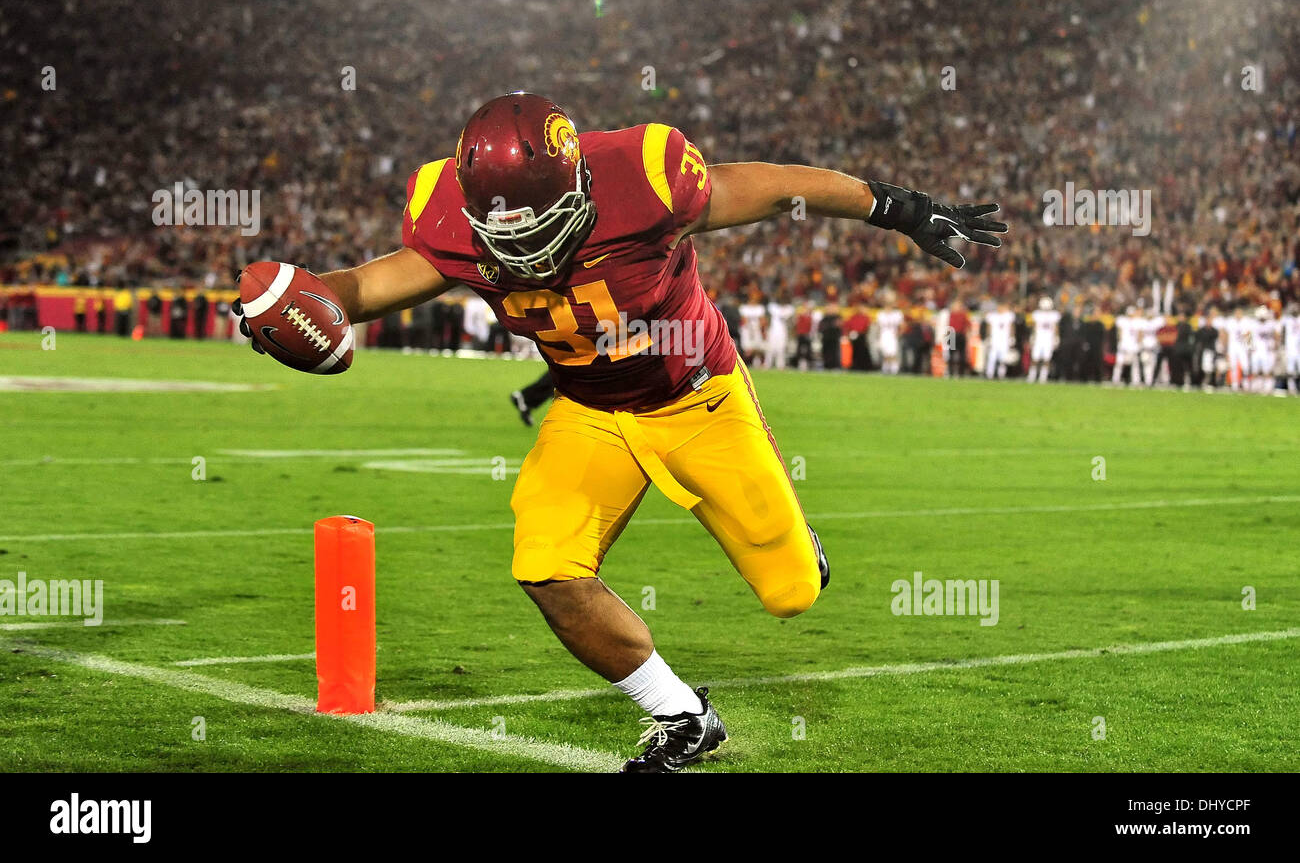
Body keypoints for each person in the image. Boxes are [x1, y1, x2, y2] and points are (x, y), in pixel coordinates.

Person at [235, 92, 1006, 771]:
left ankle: (799, 543)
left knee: (792, 593)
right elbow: (370, 283)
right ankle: (683, 716)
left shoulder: (646, 173)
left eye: (538, 222)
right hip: (588, 411)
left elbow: (770, 190)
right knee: (545, 565)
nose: (522, 245)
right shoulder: (445, 212)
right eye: (503, 228)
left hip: (694, 395)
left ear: (576, 185)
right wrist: (302, 301)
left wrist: (896, 206)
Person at [1027, 296, 1060, 384]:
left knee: (1047, 359)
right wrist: (1032, 337)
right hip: (1039, 339)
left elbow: (1055, 327)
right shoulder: (1037, 314)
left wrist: (1056, 338)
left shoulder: (1054, 315)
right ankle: (1032, 376)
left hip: (1048, 340)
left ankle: (1043, 377)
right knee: (1035, 358)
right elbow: (1034, 326)